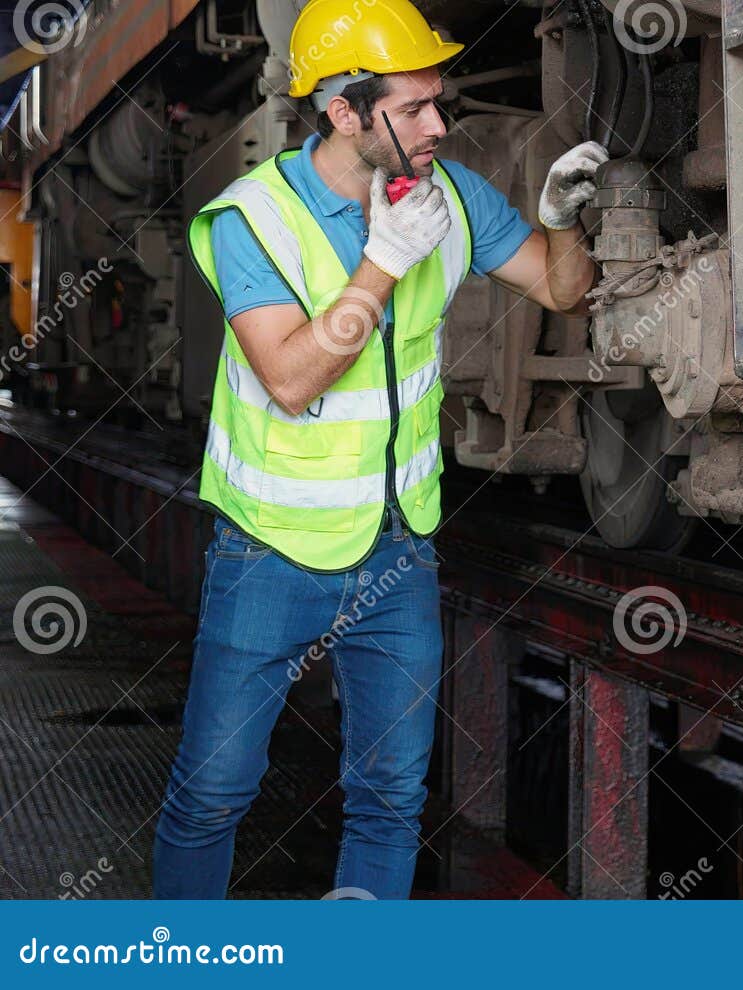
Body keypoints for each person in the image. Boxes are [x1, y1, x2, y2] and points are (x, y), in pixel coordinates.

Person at [152, 0, 608, 898]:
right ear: (345, 112)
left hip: (398, 549)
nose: (440, 124)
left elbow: (562, 291)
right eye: (412, 108)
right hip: (270, 550)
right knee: (211, 796)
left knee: (392, 798)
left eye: (440, 102)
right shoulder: (255, 218)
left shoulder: (453, 195)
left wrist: (556, 215)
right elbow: (290, 377)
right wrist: (384, 263)